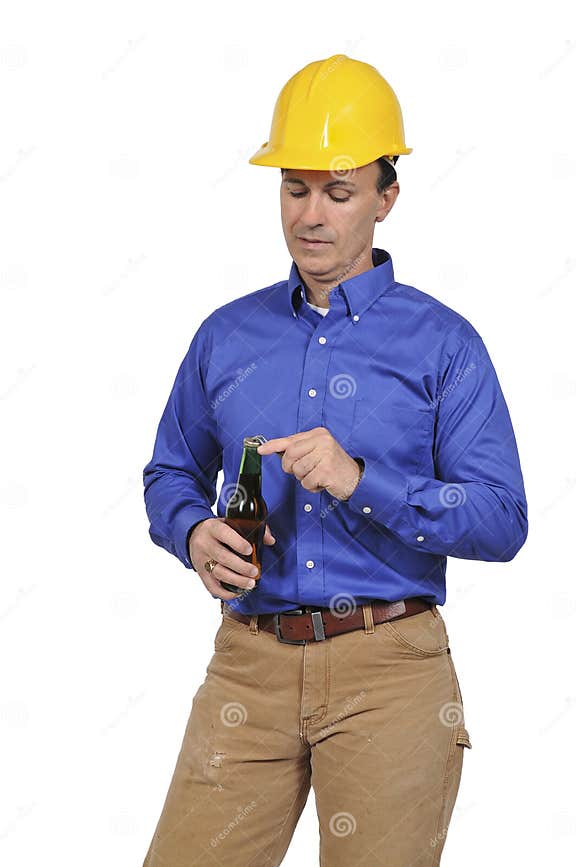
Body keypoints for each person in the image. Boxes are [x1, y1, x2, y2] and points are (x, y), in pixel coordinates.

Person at [140, 53, 528, 866]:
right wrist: (190, 533)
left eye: (339, 192)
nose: (311, 215)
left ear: (388, 197)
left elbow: (501, 516)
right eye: (295, 187)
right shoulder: (227, 336)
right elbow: (171, 470)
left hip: (390, 672)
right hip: (247, 667)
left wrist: (361, 480)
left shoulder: (444, 346)